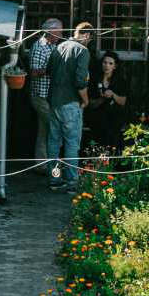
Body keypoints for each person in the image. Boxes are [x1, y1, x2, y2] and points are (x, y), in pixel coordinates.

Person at [46, 22, 93, 191]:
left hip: (54, 101)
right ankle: (71, 182)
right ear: (87, 35)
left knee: (53, 143)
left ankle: (54, 179)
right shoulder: (83, 51)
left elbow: (49, 70)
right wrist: (86, 100)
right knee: (72, 143)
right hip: (71, 102)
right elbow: (80, 80)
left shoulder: (59, 47)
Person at [25, 19, 59, 164]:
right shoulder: (39, 46)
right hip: (40, 95)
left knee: (44, 130)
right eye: (59, 31)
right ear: (50, 31)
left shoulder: (53, 46)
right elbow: (33, 72)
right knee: (54, 126)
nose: (61, 34)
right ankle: (52, 163)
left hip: (49, 96)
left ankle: (41, 164)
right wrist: (51, 69)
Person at [86, 50, 129, 153]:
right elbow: (91, 104)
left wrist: (113, 95)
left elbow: (123, 101)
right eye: (105, 62)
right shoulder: (94, 80)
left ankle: (110, 157)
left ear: (115, 66)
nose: (107, 66)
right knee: (98, 129)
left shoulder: (120, 80)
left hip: (114, 117)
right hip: (97, 117)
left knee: (113, 132)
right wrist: (102, 98)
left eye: (110, 63)